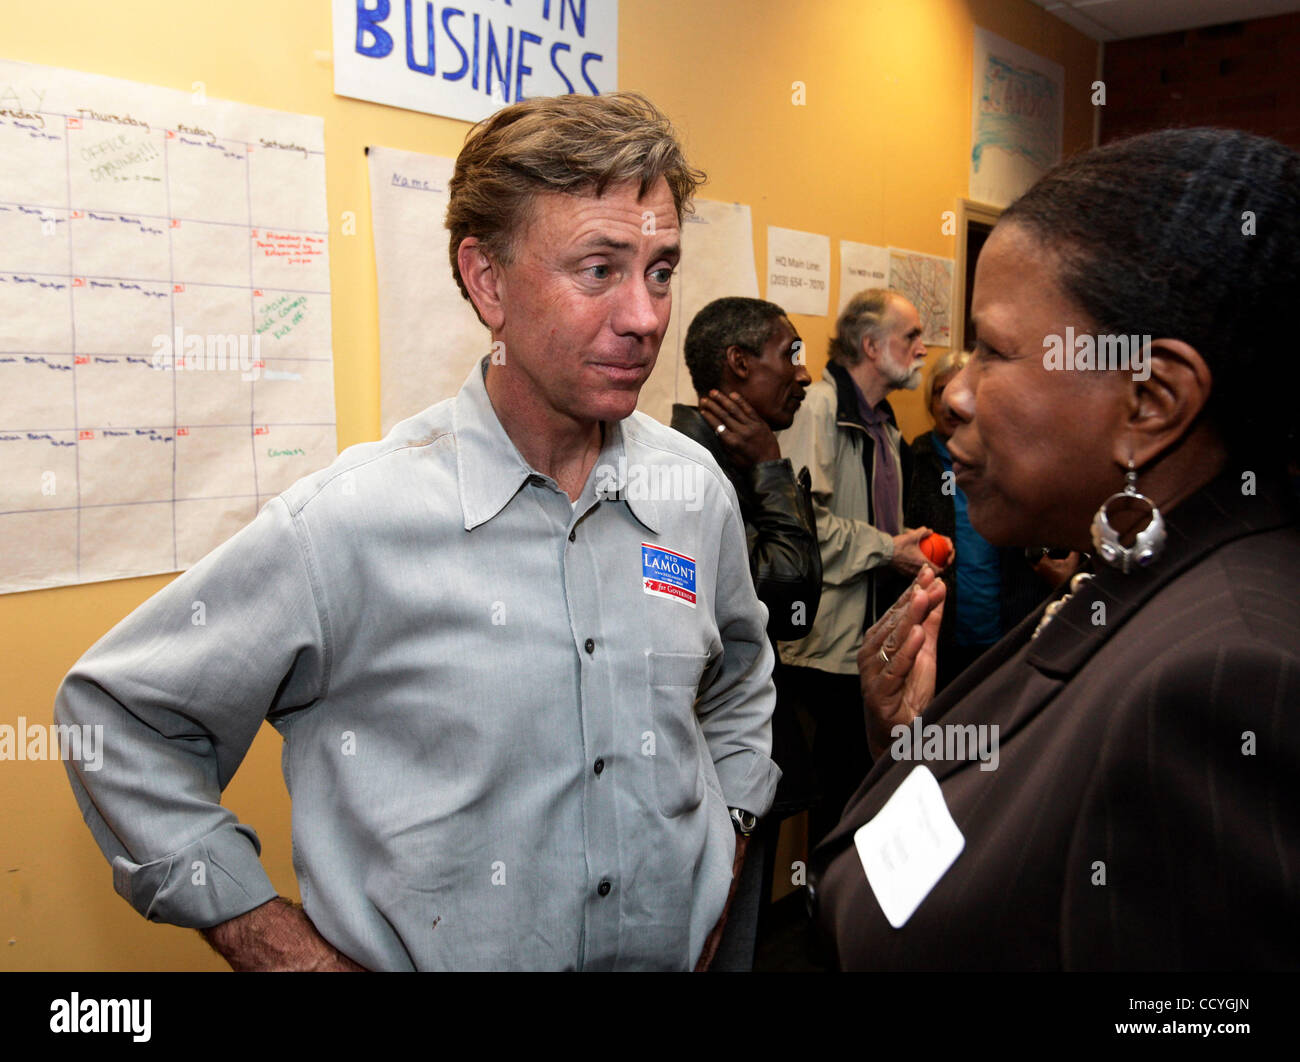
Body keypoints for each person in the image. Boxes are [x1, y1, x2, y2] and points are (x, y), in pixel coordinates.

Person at [53, 92, 782, 972]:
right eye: (599, 269)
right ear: (487, 280)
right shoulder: (350, 526)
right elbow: (117, 718)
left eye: (661, 270)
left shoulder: (693, 493)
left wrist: (728, 838)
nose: (646, 316)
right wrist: (283, 949)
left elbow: (741, 679)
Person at [813, 127, 1300, 970]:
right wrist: (913, 741)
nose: (955, 394)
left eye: (995, 352)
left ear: (1149, 401)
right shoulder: (1136, 578)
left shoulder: (1231, 681)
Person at [670, 295, 821, 969]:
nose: (805, 372)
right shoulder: (690, 473)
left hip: (730, 757)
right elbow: (790, 594)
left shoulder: (721, 459)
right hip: (700, 770)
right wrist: (769, 463)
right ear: (738, 365)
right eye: (789, 354)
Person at [777, 289, 945, 844]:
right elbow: (804, 528)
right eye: (911, 337)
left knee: (864, 788)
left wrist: (906, 545)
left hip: (869, 640)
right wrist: (886, 548)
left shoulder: (884, 423)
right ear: (872, 346)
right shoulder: (820, 409)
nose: (924, 348)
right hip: (827, 649)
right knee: (835, 797)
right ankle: (825, 914)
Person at [905, 348, 1074, 690]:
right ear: (930, 402)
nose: (952, 402)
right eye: (940, 391)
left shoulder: (1010, 455)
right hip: (937, 634)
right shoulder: (912, 460)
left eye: (964, 390)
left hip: (1009, 628)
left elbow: (1041, 517)